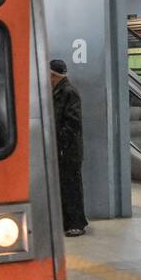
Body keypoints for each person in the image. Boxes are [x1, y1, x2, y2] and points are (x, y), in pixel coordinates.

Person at [50, 60, 87, 237]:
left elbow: (72, 123)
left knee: (71, 187)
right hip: (62, 148)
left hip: (68, 150)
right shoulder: (58, 91)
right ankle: (67, 221)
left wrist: (60, 141)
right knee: (64, 186)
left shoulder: (68, 92)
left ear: (53, 75)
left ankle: (76, 223)